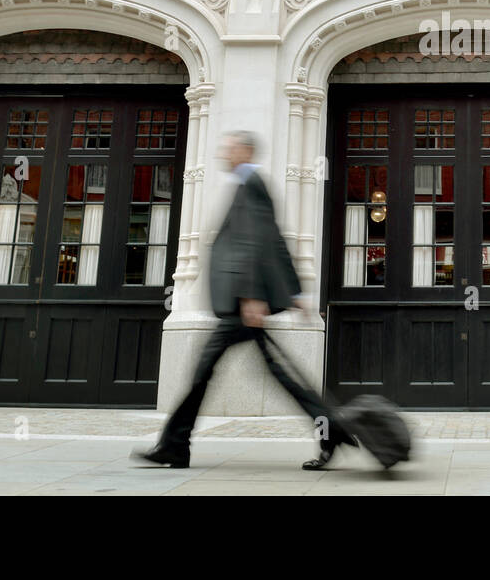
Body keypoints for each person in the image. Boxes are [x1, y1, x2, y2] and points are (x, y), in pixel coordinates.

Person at [133, 130, 355, 471]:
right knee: (277, 372)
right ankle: (331, 430)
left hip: (242, 304)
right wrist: (293, 292)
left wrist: (252, 296)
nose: (225, 151)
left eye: (230, 146)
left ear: (245, 151)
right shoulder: (249, 185)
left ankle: (175, 446)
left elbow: (254, 241)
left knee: (204, 373)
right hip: (243, 303)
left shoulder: (250, 184)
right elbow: (274, 239)